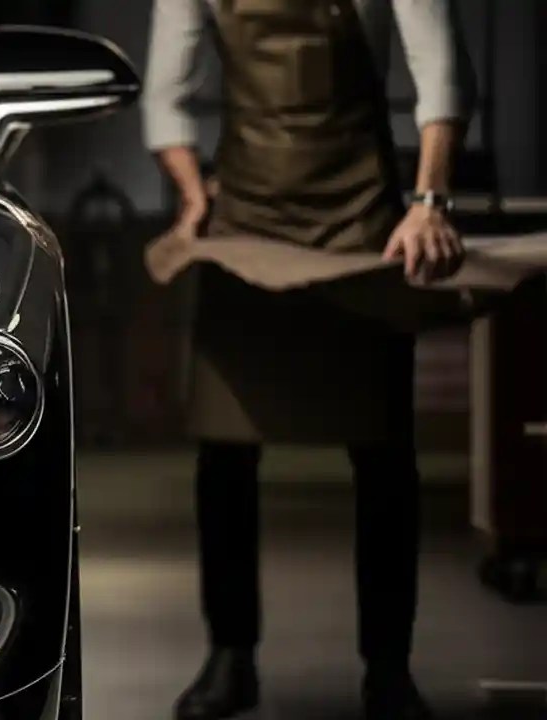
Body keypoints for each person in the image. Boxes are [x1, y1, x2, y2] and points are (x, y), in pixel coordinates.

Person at [140, 1, 477, 719]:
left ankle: (388, 670)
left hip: (363, 220)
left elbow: (442, 73)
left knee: (384, 451)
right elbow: (163, 96)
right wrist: (194, 194)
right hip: (248, 218)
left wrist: (430, 201)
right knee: (223, 451)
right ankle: (230, 658)